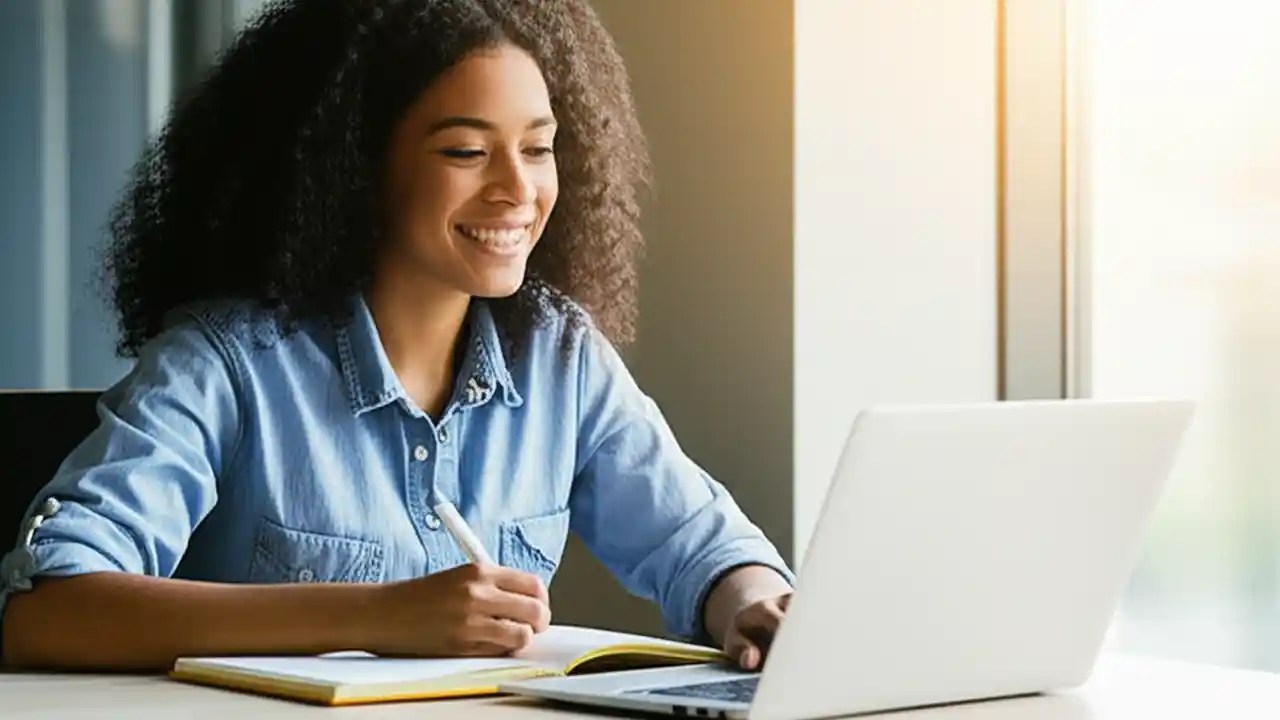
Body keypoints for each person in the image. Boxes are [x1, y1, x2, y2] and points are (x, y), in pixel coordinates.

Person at [0, 0, 793, 672]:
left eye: (539, 148)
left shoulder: (562, 358)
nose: (518, 188)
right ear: (351, 168)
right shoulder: (225, 363)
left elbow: (706, 551)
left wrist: (754, 605)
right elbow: (47, 613)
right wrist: (374, 616)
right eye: (466, 151)